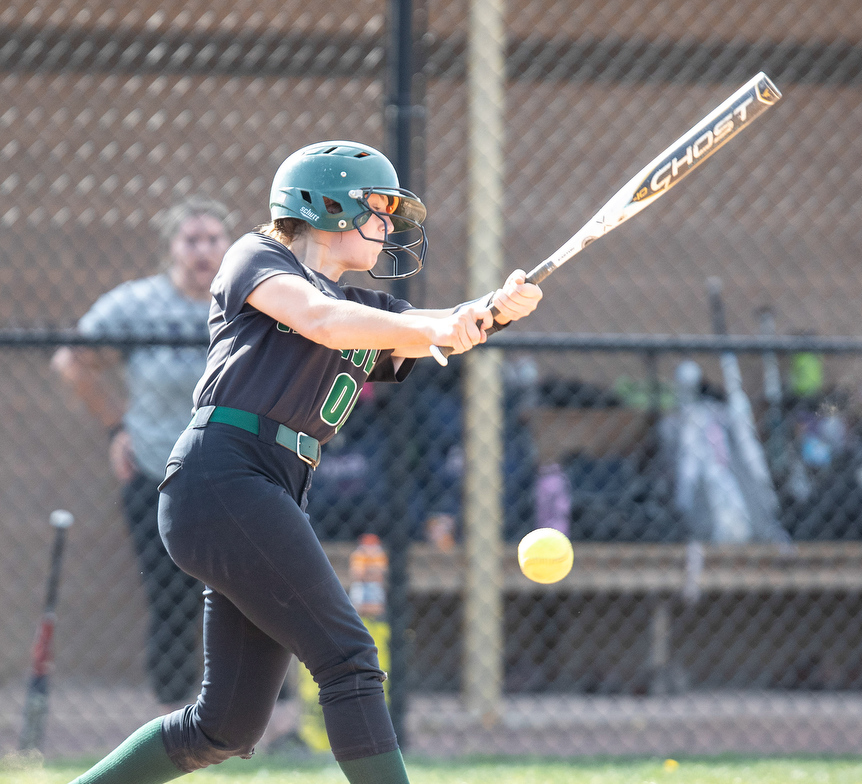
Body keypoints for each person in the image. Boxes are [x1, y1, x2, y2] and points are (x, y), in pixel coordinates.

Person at [66, 140, 542, 784]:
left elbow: (427, 332)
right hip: (223, 476)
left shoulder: (372, 312)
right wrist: (439, 324)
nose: (386, 226)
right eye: (376, 209)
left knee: (224, 725)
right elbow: (320, 318)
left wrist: (491, 313)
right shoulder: (256, 257)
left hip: (268, 491)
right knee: (349, 657)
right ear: (326, 206)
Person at [52, 196, 231, 705]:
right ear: (170, 248)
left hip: (233, 474)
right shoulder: (139, 304)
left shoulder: (245, 301)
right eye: (191, 240)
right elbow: (73, 361)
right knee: (171, 598)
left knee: (244, 594)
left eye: (213, 239)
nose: (202, 251)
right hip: (156, 472)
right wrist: (116, 429)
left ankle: (259, 715)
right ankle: (174, 719)